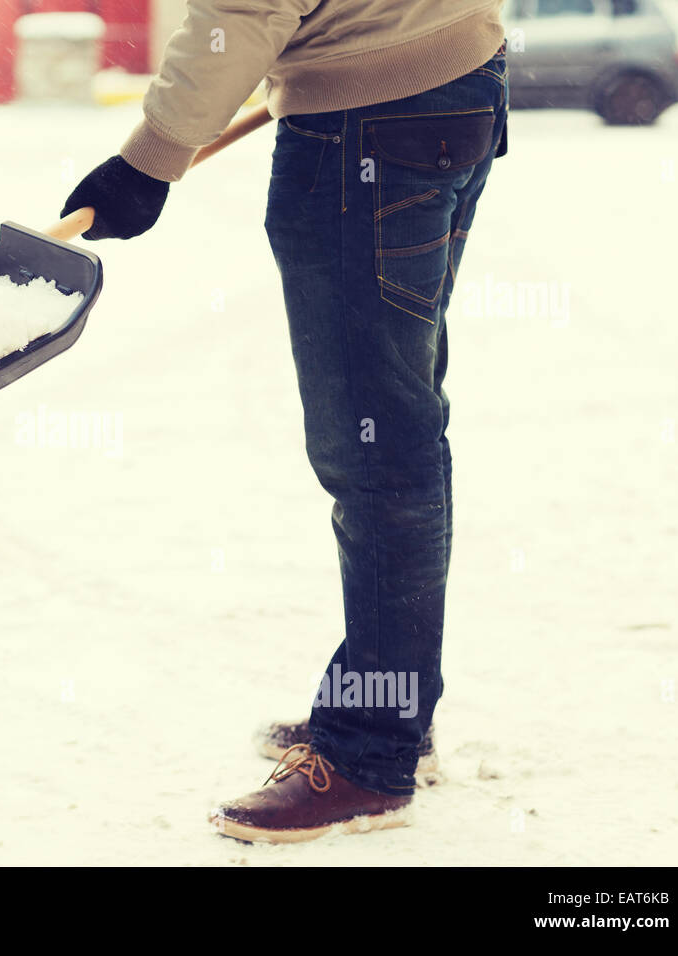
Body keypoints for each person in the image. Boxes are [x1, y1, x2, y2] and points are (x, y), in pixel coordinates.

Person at [62, 0, 509, 843]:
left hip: (370, 129)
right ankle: (392, 706)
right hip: (454, 83)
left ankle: (372, 753)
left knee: (376, 442)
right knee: (400, 416)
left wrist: (148, 159)